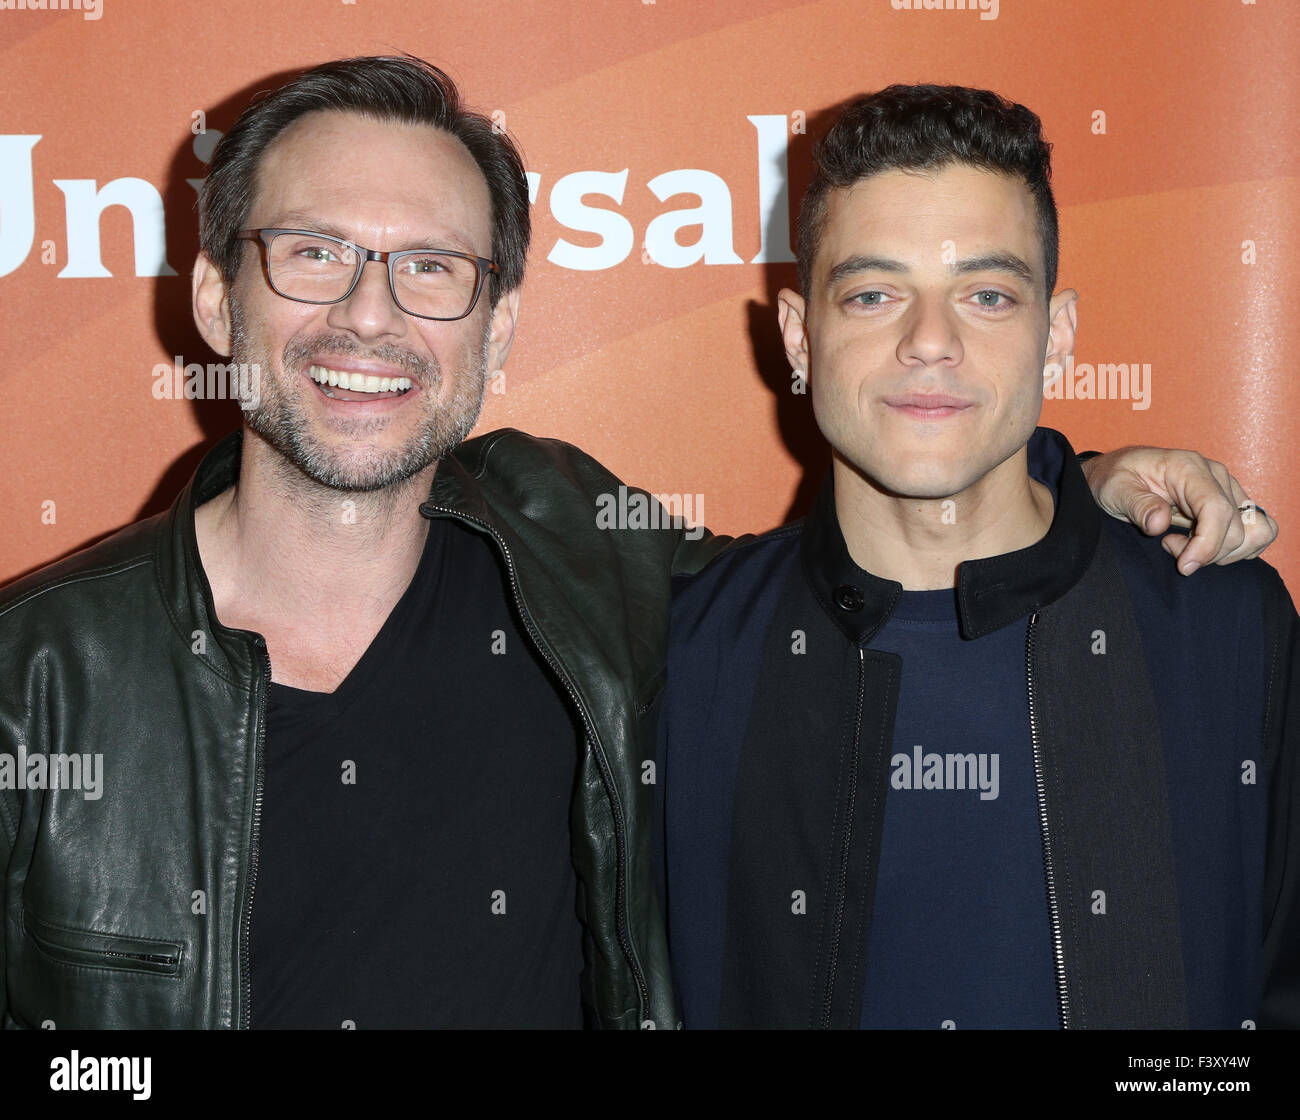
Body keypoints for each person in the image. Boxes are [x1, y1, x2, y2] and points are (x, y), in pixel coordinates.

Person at [0, 58, 1279, 1030]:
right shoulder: (32, 680)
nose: (369, 314)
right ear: (218, 297)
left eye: (432, 268)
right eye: (316, 254)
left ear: (496, 331)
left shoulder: (592, 580)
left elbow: (908, 548)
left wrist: (1089, 476)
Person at [655, 83, 1298, 1030]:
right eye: (875, 294)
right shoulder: (680, 648)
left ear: (1059, 337)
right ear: (800, 337)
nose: (930, 342)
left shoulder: (1225, 626)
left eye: (987, 295)